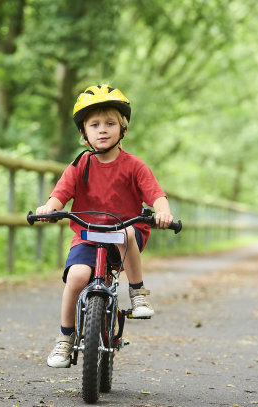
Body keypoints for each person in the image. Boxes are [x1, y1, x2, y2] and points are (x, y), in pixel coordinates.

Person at [35, 84, 173, 368]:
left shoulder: (134, 166)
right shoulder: (79, 164)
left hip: (127, 235)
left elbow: (156, 195)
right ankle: (65, 338)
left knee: (125, 233)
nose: (102, 130)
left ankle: (138, 292)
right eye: (94, 124)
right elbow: (59, 194)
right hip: (87, 234)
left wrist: (163, 213)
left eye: (110, 123)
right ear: (84, 133)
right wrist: (49, 209)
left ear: (122, 129)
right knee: (76, 278)